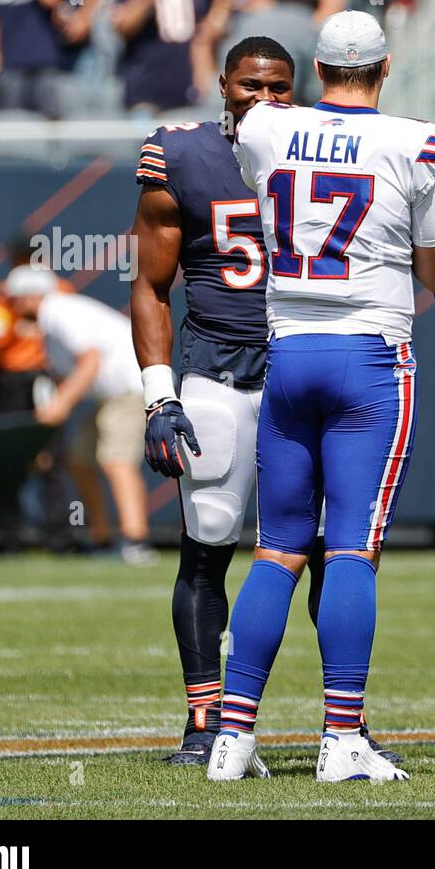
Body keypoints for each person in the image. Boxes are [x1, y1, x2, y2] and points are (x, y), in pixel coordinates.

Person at [207, 10, 435, 784]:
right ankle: (343, 737)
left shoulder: (262, 129)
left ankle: (232, 738)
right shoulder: (415, 143)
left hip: (287, 354)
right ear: (385, 71)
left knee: (277, 548)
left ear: (317, 73)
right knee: (351, 545)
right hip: (369, 360)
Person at [129, 37, 305, 766]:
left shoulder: (325, 150)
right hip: (220, 375)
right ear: (223, 86)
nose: (264, 98)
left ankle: (342, 724)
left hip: (305, 373)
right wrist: (157, 396)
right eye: (250, 84)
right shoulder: (182, 155)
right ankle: (204, 723)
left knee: (330, 553)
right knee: (205, 549)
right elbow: (149, 286)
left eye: (278, 86)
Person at [5, 267, 156, 565]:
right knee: (80, 459)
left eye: (16, 300)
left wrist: (59, 406)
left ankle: (136, 543)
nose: (12, 307)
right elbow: (66, 377)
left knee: (116, 460)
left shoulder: (59, 311)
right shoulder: (51, 324)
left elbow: (90, 361)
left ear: (33, 296)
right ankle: (102, 539)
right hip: (107, 396)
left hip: (128, 388)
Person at [0, 235, 80, 554]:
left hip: (15, 383)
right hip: (49, 381)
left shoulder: (6, 291)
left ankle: (9, 539)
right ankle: (59, 538)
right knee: (52, 462)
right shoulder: (61, 287)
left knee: (9, 460)